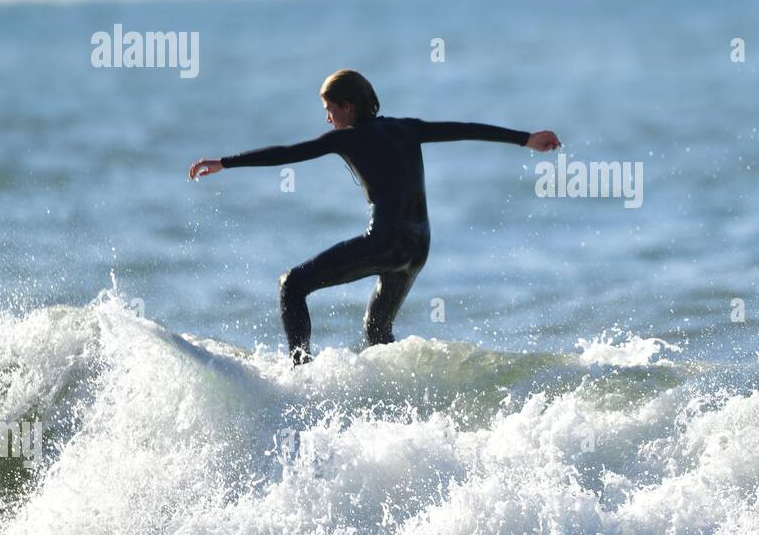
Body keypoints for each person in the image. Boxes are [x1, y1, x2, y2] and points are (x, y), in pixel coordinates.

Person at [189, 69, 560, 364]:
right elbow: (463, 129)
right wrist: (526, 138)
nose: (328, 118)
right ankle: (393, 401)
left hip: (385, 242)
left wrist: (224, 162)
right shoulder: (406, 128)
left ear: (348, 106)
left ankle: (300, 375)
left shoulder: (346, 137)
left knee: (292, 285)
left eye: (329, 109)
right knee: (377, 327)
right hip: (418, 247)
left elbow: (288, 153)